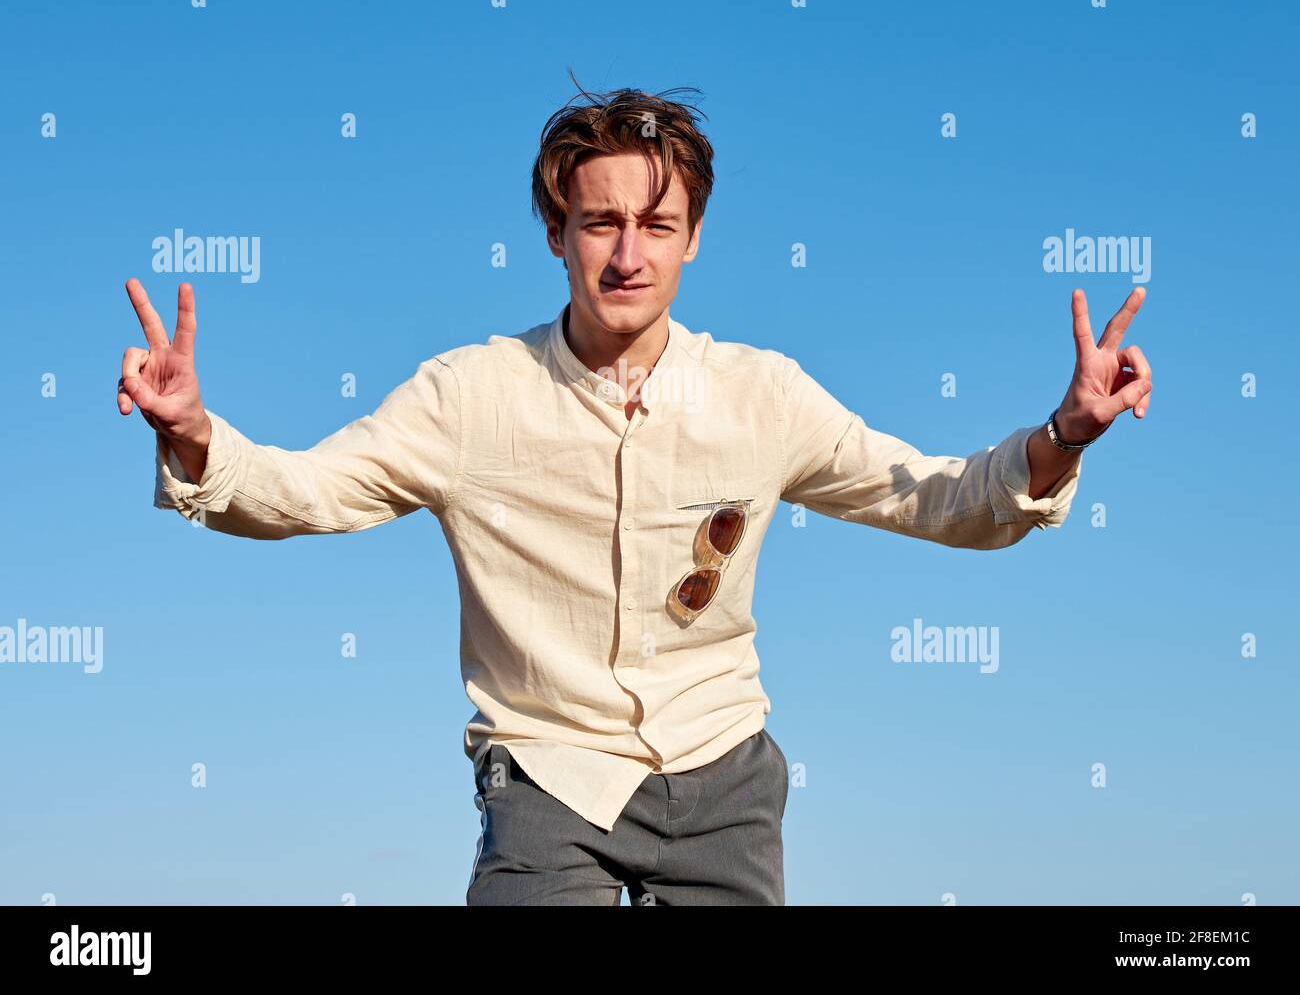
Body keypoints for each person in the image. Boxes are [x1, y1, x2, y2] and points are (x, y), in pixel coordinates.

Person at [117, 84, 1153, 906]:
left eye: (655, 225)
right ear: (556, 233)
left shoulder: (761, 395)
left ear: (693, 236)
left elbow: (939, 498)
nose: (626, 254)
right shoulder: (467, 396)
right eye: (598, 222)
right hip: (549, 777)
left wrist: (1060, 435)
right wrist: (198, 436)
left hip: (725, 773)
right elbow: (307, 492)